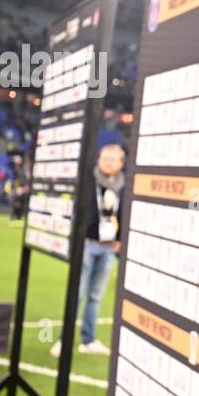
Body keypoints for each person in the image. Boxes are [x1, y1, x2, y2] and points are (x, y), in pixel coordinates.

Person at [51, 144, 125, 358]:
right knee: (78, 293)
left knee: (96, 296)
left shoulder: (123, 186)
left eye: (113, 158)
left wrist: (119, 240)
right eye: (105, 157)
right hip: (87, 243)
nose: (109, 162)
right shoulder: (87, 181)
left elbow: (123, 215)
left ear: (121, 163)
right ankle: (62, 341)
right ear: (98, 159)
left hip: (109, 247)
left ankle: (88, 339)